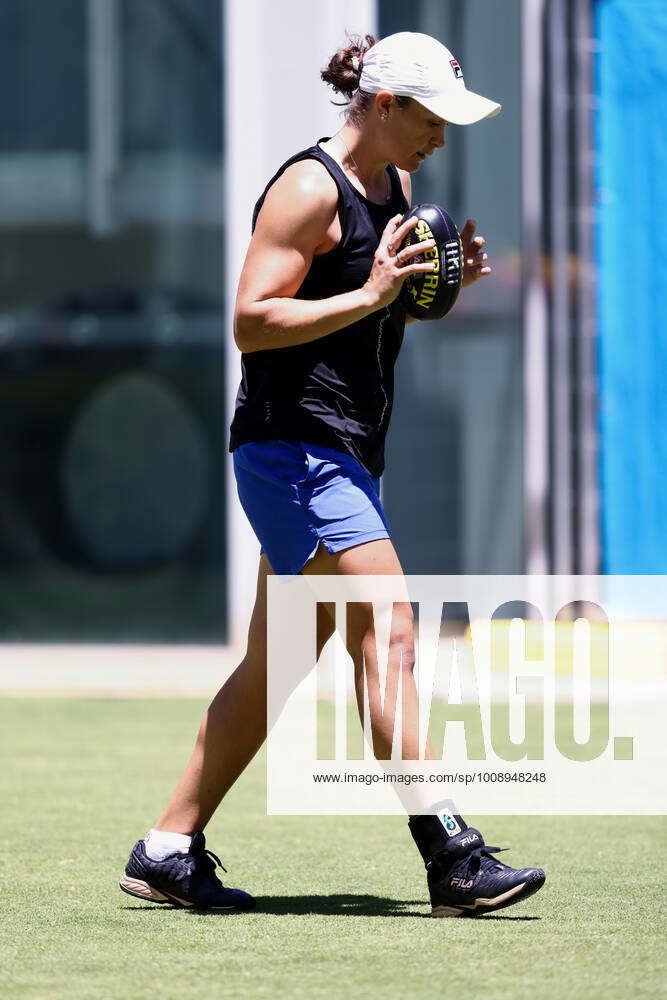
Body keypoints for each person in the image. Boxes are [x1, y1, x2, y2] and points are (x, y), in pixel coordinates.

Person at [119, 31, 545, 918]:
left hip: (342, 449)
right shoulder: (309, 188)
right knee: (386, 635)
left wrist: (435, 285)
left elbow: (370, 312)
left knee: (276, 666)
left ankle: (167, 847)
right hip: (292, 448)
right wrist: (369, 294)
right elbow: (251, 320)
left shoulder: (396, 185)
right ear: (383, 105)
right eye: (430, 118)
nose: (440, 136)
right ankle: (451, 858)